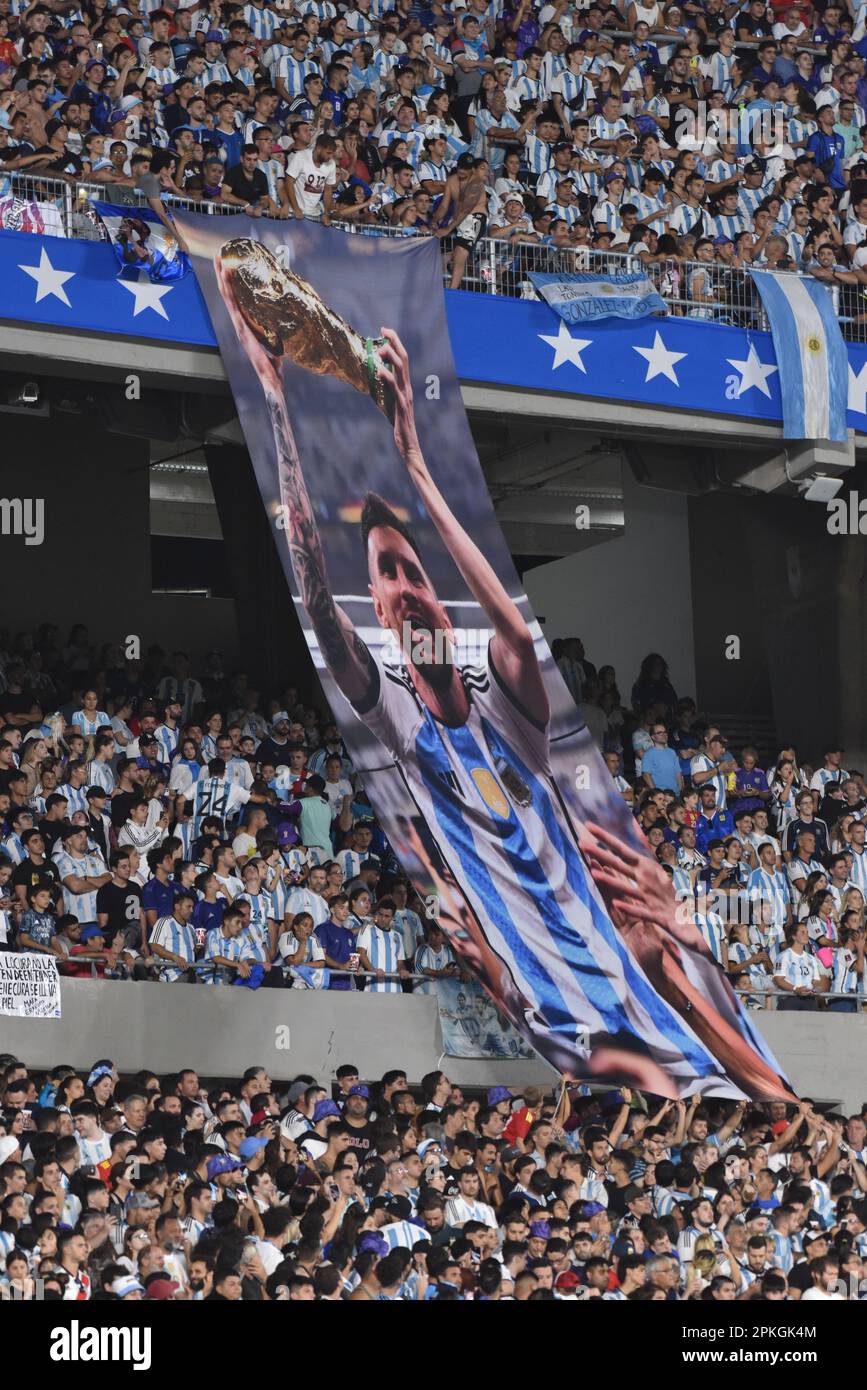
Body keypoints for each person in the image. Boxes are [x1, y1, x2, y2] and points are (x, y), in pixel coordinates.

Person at [215, 266, 789, 1099]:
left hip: (632, 994)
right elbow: (309, 586)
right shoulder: (399, 720)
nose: (406, 586)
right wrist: (273, 396)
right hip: (565, 1024)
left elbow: (518, 631)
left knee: (732, 1060)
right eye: (387, 577)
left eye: (412, 571)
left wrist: (414, 463)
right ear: (379, 612)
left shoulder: (507, 712)